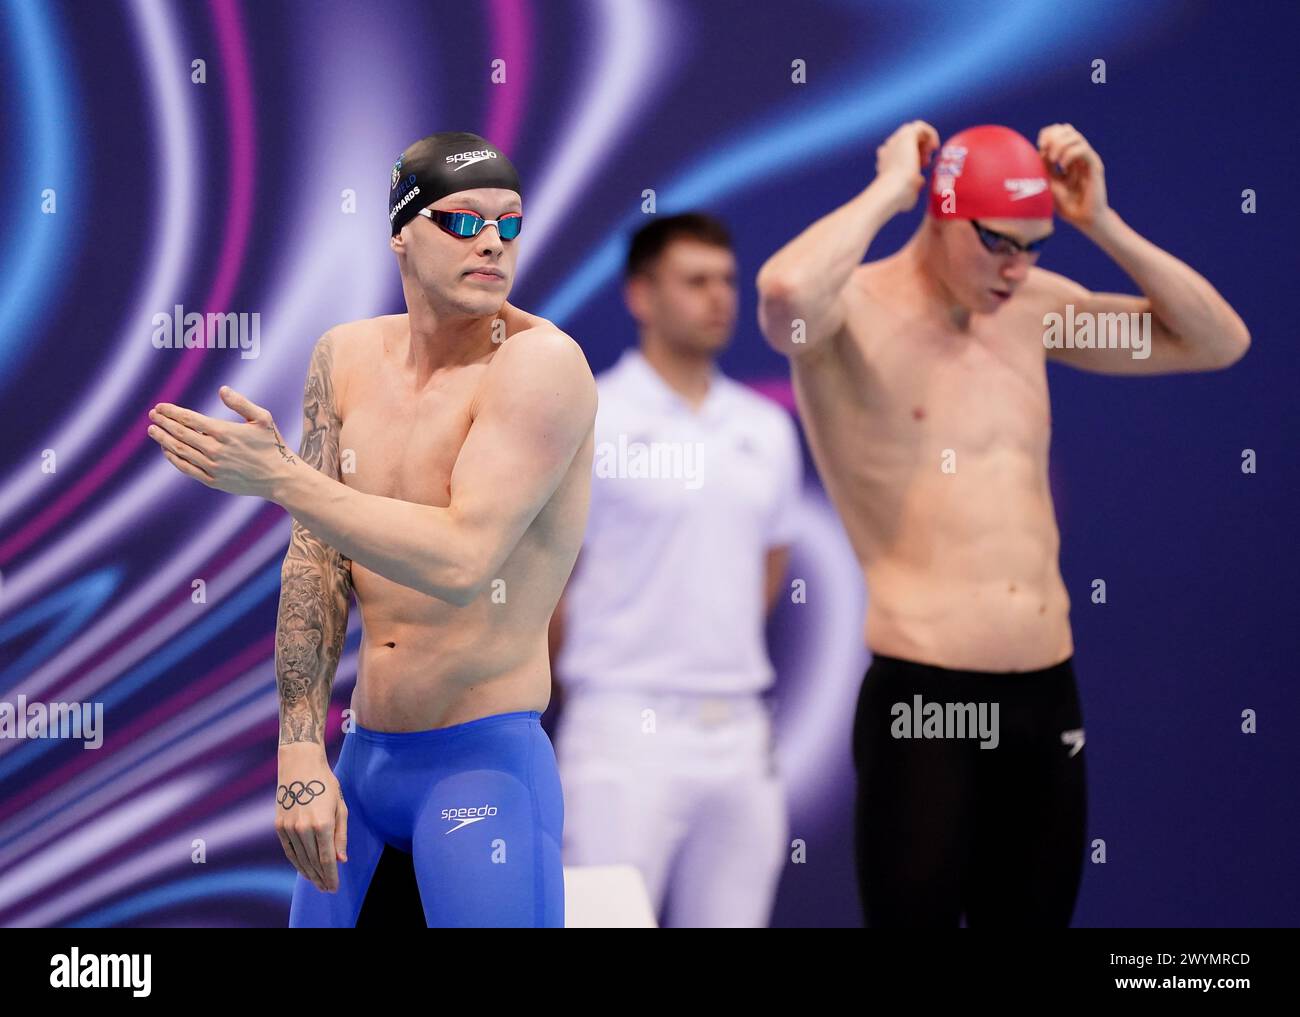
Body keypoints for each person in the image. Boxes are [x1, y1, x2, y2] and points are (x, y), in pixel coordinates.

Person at [756, 121, 1250, 927]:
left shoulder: (1037, 311)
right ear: (944, 214)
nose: (1019, 270)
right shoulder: (845, 320)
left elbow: (1217, 340)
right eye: (999, 244)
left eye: (1037, 246)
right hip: (928, 694)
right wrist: (890, 187)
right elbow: (784, 294)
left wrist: (1102, 224)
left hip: (1046, 693)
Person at [147, 131, 597, 927]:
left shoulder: (540, 365)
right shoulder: (345, 357)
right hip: (364, 762)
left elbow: (464, 558)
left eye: (509, 222)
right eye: (462, 221)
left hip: (482, 769)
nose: (492, 242)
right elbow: (317, 558)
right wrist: (298, 752)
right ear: (400, 231)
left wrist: (285, 479)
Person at [550, 213, 802, 927]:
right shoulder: (590, 417)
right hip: (621, 726)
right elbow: (542, 581)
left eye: (726, 280)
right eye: (695, 281)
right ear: (641, 295)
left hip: (741, 728)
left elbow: (768, 564)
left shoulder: (766, 427)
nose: (718, 297)